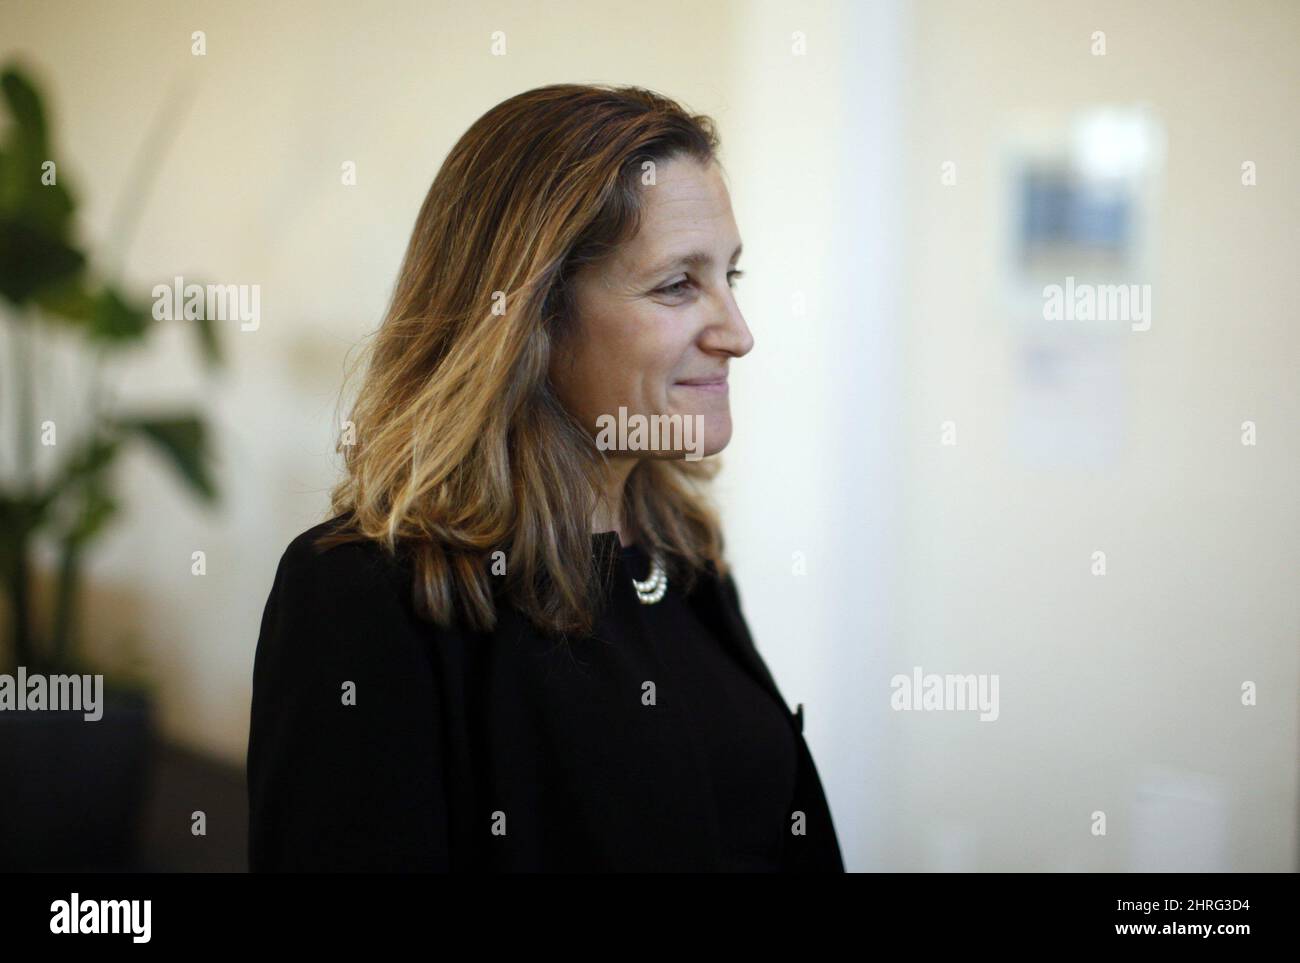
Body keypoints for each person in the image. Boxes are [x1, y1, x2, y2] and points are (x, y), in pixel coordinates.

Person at [246, 83, 844, 872]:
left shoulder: (682, 559)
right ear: (528, 318)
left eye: (732, 276)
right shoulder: (365, 598)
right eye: (677, 285)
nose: (738, 333)